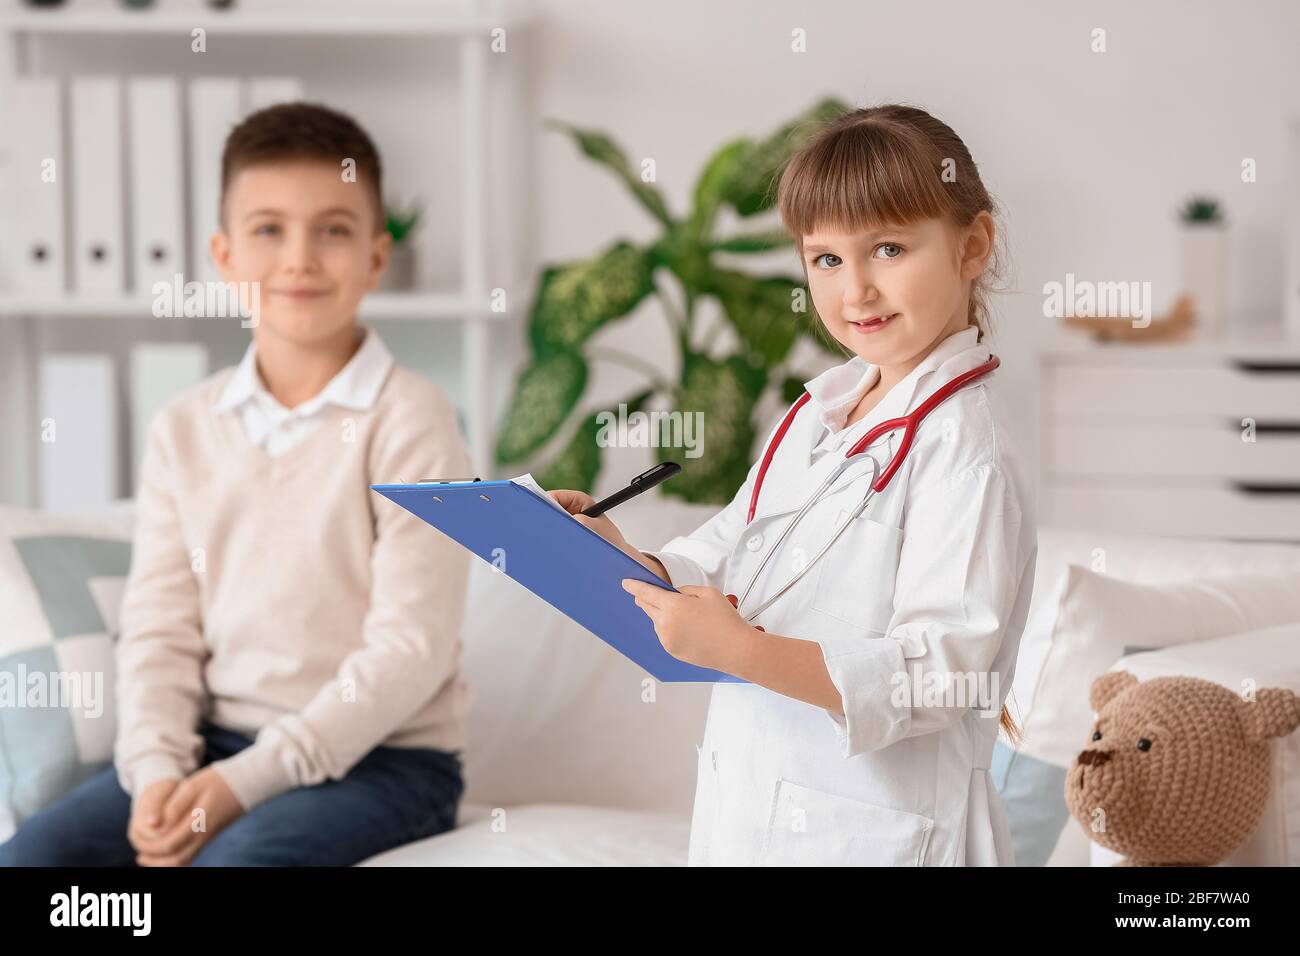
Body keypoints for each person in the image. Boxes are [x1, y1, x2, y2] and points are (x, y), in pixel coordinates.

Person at [552, 104, 1037, 866]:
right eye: (826, 260)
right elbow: (728, 552)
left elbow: (940, 677)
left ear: (973, 245)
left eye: (888, 248)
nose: (857, 290)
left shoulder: (966, 449)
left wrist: (743, 652)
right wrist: (624, 557)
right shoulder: (821, 413)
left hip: (885, 836)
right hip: (757, 816)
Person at [0, 102, 472, 867]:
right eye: (268, 229)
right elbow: (159, 629)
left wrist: (242, 786)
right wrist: (155, 771)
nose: (300, 259)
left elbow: (411, 649)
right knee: (31, 862)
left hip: (385, 762)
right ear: (223, 256)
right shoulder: (184, 426)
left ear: (377, 258)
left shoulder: (412, 419)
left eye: (335, 229)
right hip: (212, 745)